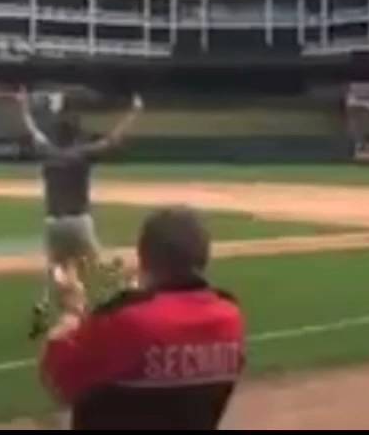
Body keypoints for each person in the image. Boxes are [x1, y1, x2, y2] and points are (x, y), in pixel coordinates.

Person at [40, 206, 245, 430]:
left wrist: (72, 309)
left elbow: (57, 379)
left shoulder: (128, 319)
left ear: (144, 259)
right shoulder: (230, 318)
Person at [18, 88, 144, 338]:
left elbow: (32, 130)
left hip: (53, 222)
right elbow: (112, 139)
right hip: (79, 221)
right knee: (101, 266)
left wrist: (22, 107)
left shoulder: (48, 152)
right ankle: (131, 287)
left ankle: (63, 311)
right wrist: (134, 112)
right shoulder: (82, 154)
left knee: (59, 270)